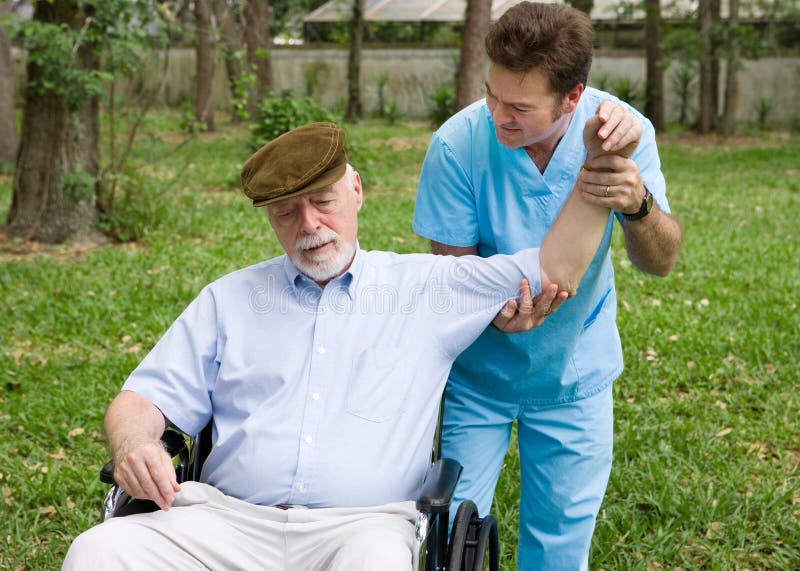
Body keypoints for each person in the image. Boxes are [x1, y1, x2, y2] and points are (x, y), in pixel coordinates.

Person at [63, 118, 630, 571]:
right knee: (100, 553)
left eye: (324, 201)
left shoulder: (426, 288)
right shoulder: (228, 300)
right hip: (224, 524)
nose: (309, 224)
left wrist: (599, 176)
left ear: (356, 191)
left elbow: (556, 266)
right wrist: (136, 445)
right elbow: (140, 401)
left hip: (361, 530)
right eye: (287, 211)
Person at [412, 3, 684, 569]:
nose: (496, 115)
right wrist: (493, 313)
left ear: (572, 96)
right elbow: (453, 278)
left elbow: (661, 261)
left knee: (559, 548)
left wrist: (637, 205)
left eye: (518, 106)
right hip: (477, 374)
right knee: (447, 539)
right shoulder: (456, 144)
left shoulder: (626, 134)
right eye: (491, 94)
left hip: (574, 373)